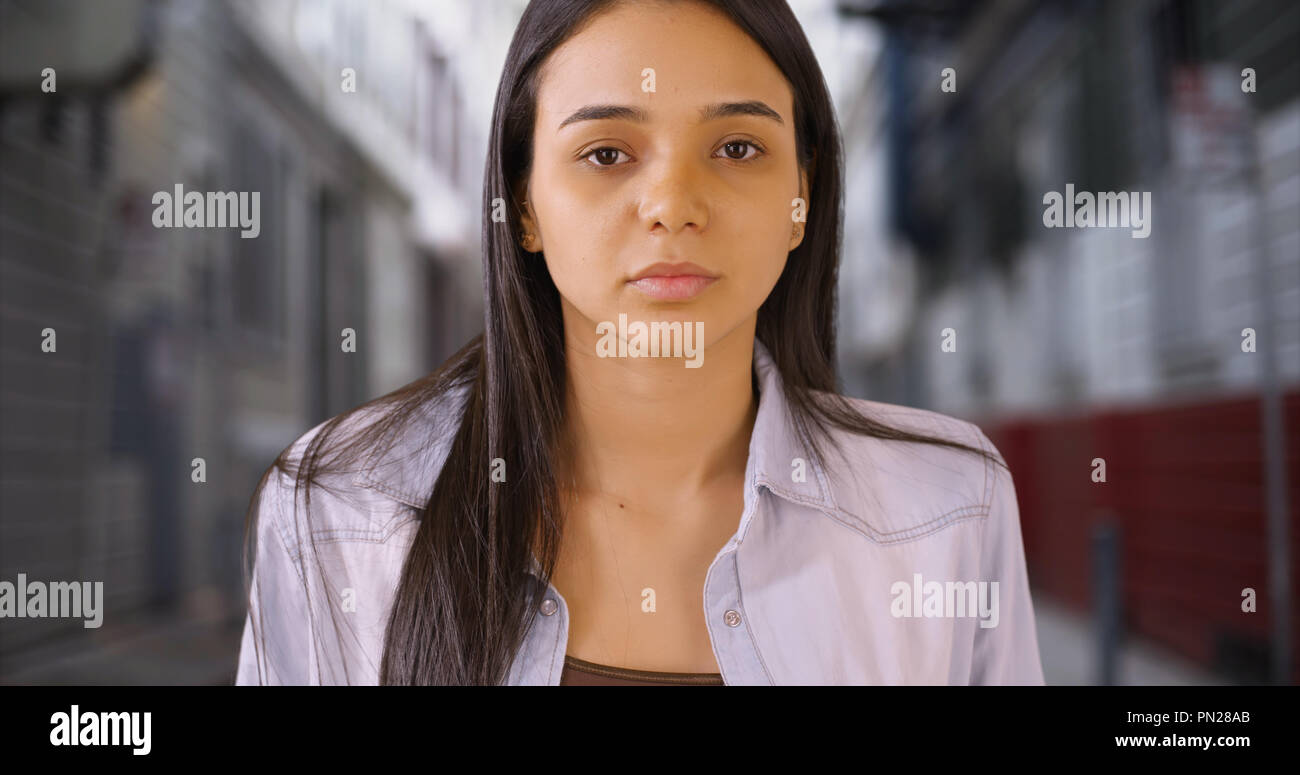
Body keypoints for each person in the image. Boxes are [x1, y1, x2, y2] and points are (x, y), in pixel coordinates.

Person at [236, 0, 1045, 686]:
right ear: (523, 207)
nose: (672, 205)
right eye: (607, 153)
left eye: (737, 148)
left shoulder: (948, 510)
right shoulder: (336, 512)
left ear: (802, 195)